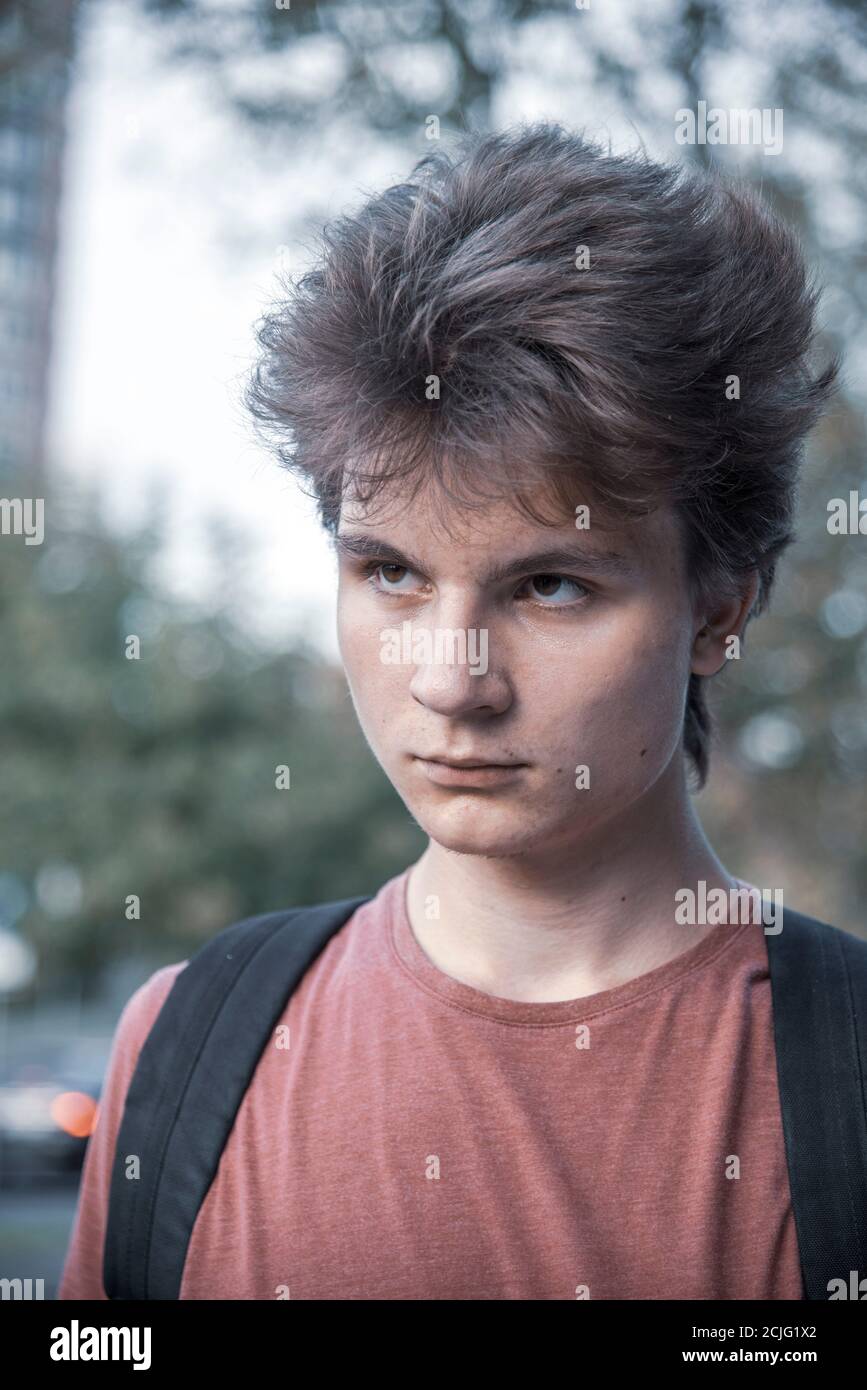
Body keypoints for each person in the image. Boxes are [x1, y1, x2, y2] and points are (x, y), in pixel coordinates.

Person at [59, 120, 839, 1300]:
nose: (450, 680)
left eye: (551, 585)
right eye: (391, 574)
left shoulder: (845, 1091)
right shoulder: (182, 1049)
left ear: (719, 607)